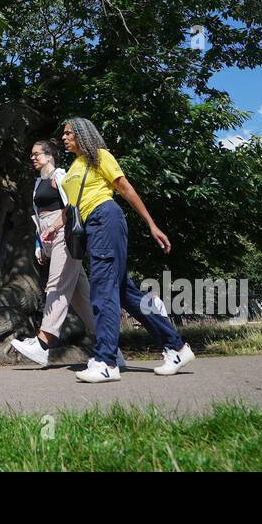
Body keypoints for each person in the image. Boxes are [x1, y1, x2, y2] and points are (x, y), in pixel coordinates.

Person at [60, 117, 195, 383]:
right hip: (90, 228)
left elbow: (124, 187)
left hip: (105, 219)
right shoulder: (74, 165)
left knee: (102, 289)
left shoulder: (100, 156)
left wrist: (151, 224)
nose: (64, 138)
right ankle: (177, 348)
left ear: (83, 134)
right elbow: (72, 206)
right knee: (123, 292)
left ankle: (107, 361)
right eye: (63, 134)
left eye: (68, 133)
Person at [10, 139, 99, 368]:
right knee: (83, 298)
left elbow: (72, 206)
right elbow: (39, 217)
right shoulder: (39, 182)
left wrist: (54, 228)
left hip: (64, 234)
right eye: (32, 154)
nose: (33, 157)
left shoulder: (60, 176)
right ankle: (111, 346)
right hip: (49, 236)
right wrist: (39, 245)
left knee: (56, 285)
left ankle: (42, 343)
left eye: (37, 154)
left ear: (50, 156)